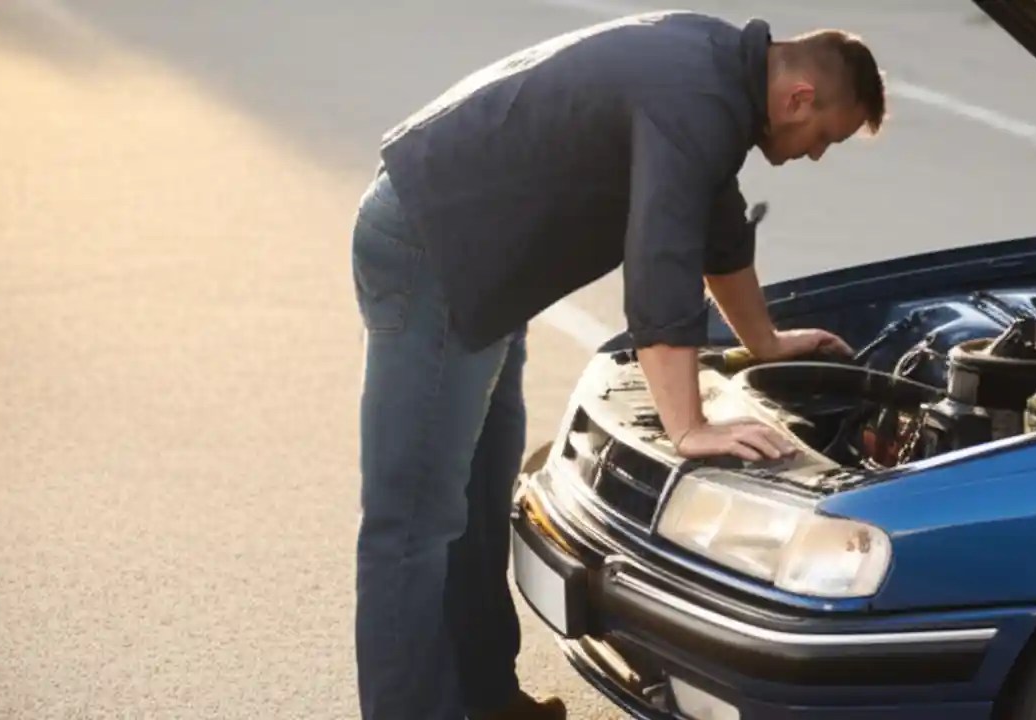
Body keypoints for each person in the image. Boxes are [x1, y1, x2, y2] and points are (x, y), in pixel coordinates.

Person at [350, 11, 886, 720]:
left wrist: (767, 343)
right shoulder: (698, 95)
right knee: (413, 522)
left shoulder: (717, 74)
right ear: (798, 100)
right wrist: (686, 424)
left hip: (488, 269)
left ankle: (483, 699)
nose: (818, 153)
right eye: (827, 137)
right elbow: (662, 256)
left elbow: (717, 230)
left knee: (476, 500)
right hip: (433, 253)